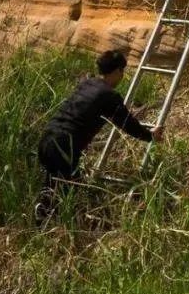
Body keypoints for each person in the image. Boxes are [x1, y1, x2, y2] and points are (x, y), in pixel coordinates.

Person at [34, 48, 160, 224]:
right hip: (64, 146)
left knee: (53, 190)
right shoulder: (109, 95)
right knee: (68, 195)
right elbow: (127, 124)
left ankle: (42, 228)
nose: (122, 76)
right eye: (122, 71)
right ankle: (69, 232)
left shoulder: (87, 84)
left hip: (47, 139)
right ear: (117, 71)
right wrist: (150, 136)